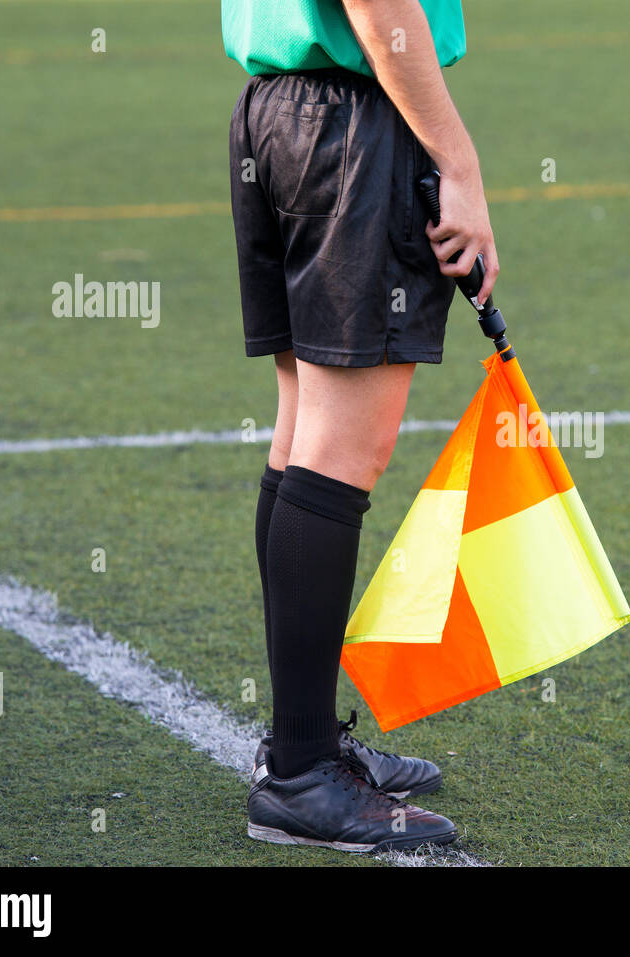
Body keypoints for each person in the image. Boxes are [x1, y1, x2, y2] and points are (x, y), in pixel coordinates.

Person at [223, 0, 499, 853]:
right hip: (353, 123)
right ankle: (303, 775)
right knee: (339, 453)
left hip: (275, 114)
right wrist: (459, 160)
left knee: (303, 431)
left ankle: (298, 744)